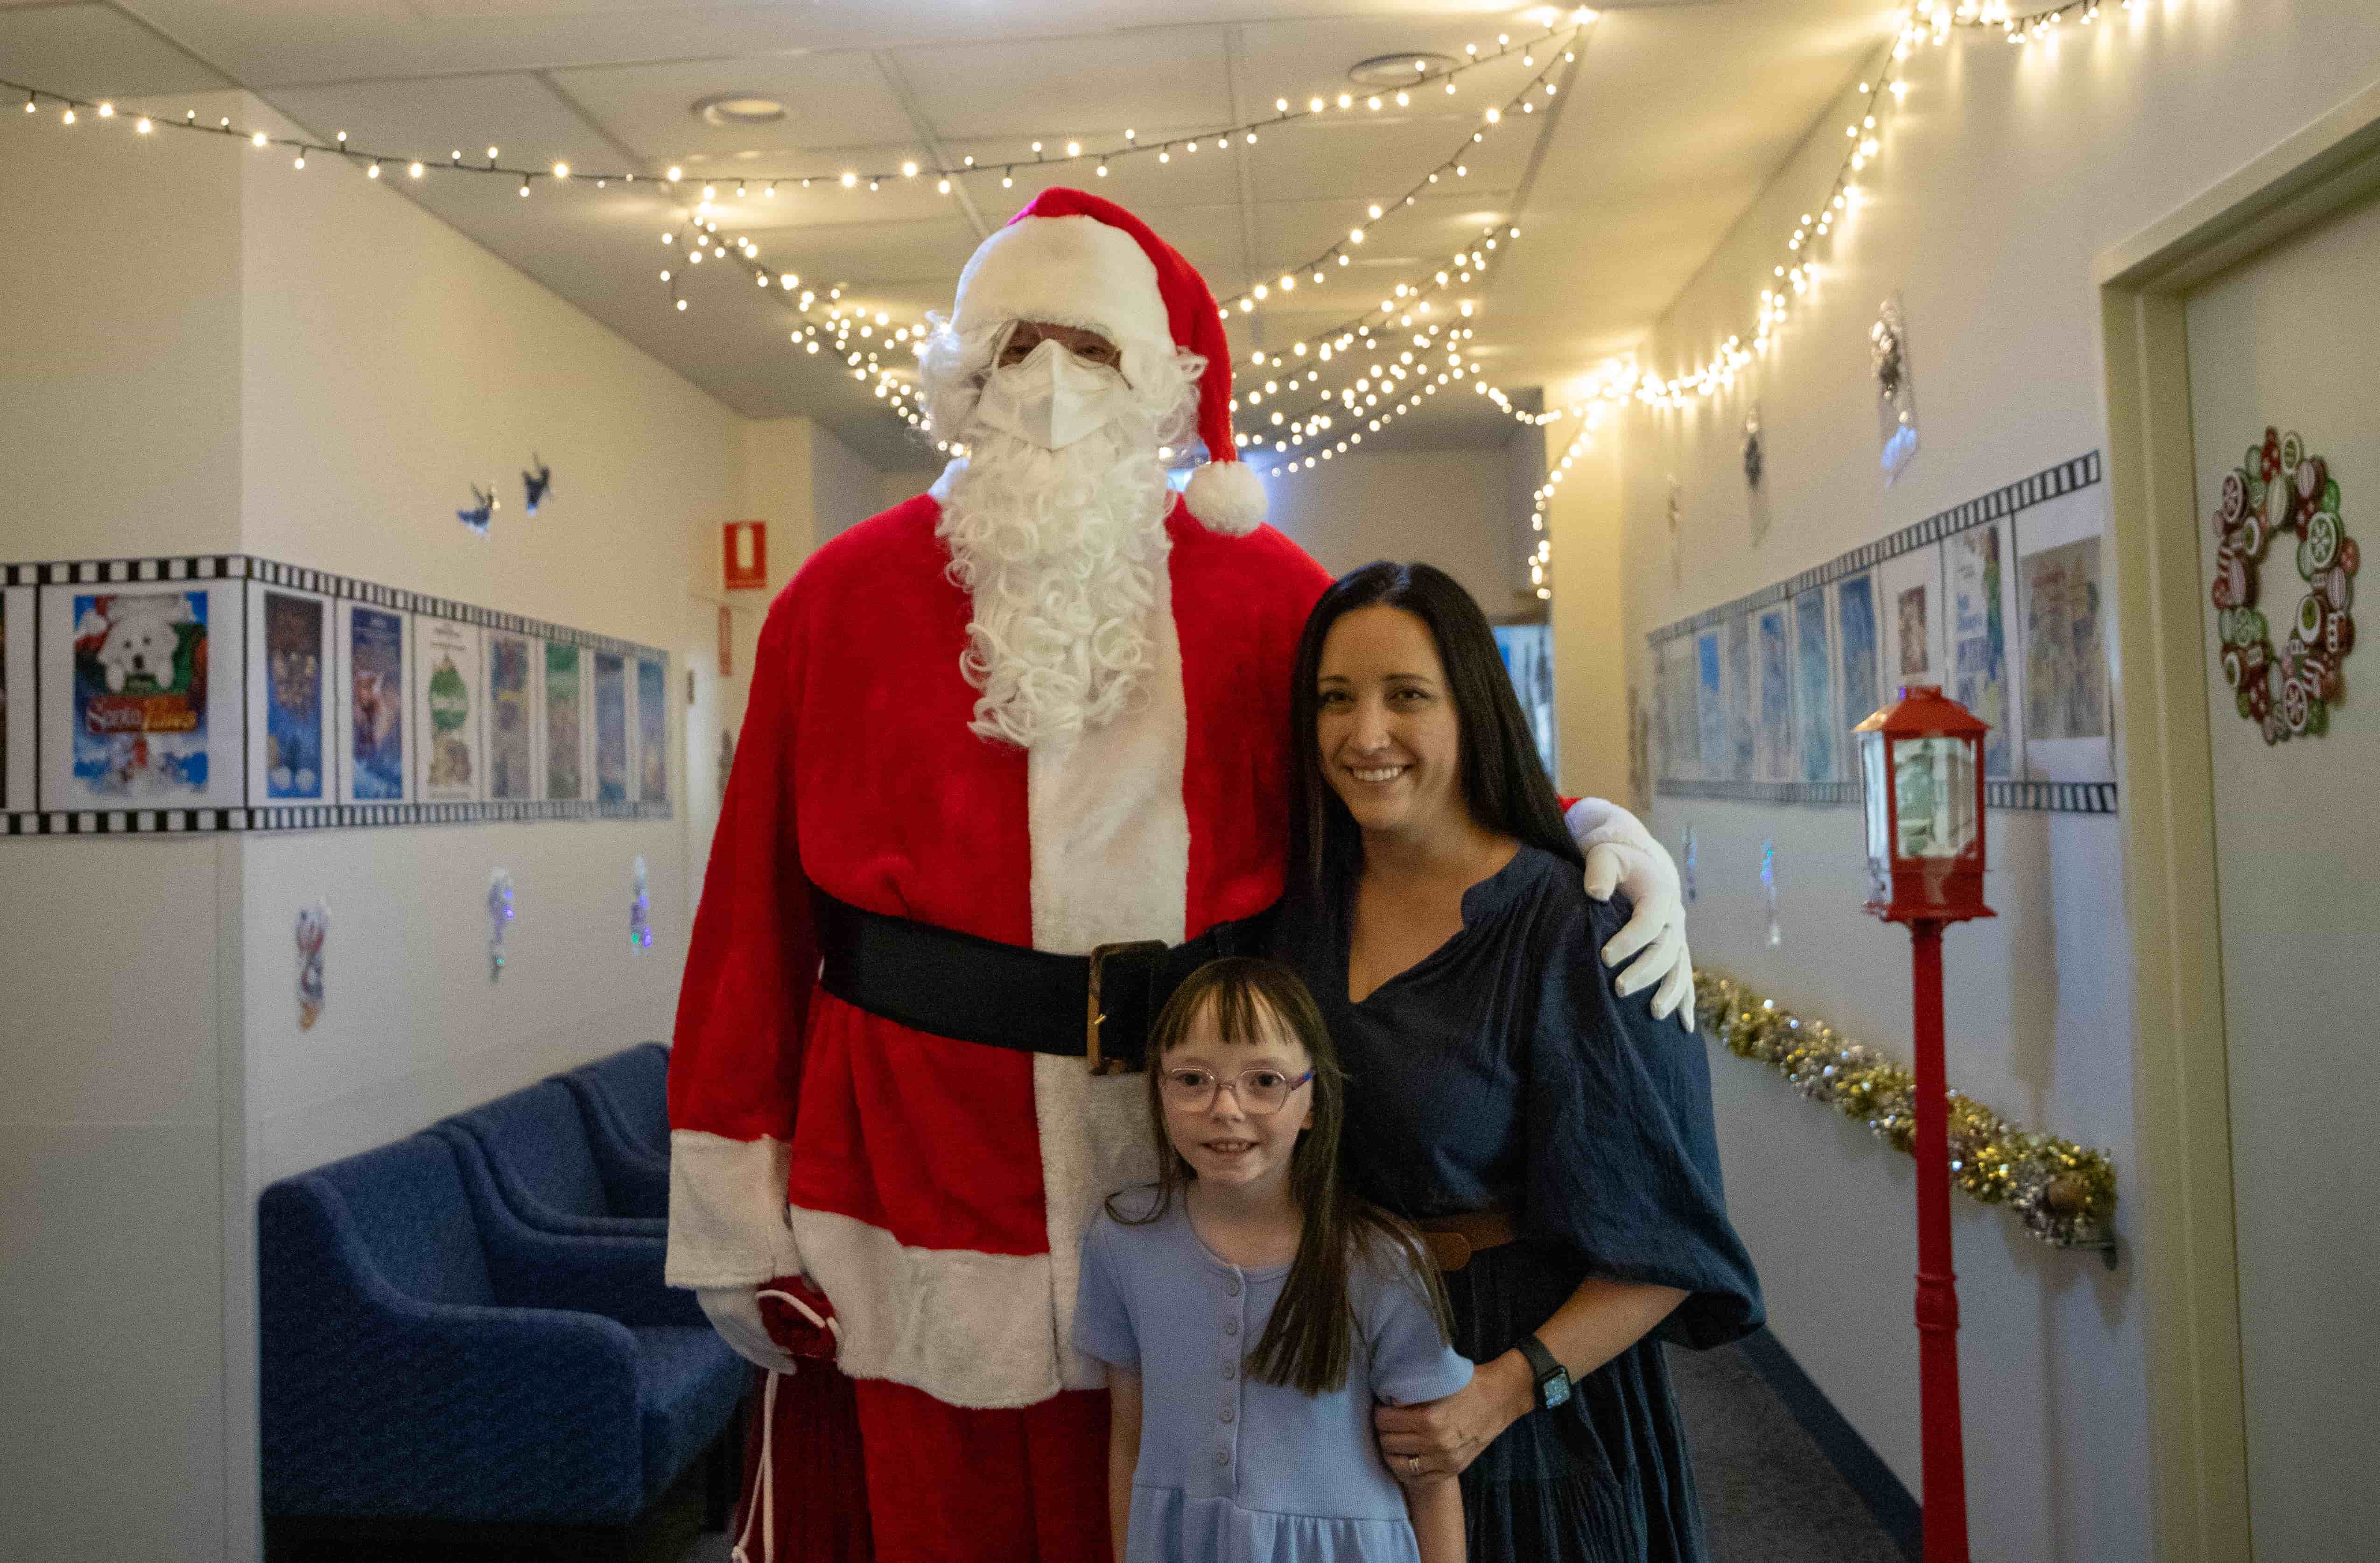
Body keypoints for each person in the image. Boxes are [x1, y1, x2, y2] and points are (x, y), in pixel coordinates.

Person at [666, 187, 1699, 1563]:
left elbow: (1394, 744)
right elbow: (749, 916)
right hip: (909, 1165)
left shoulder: (1262, 588)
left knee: (1201, 1506)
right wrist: (734, 1211)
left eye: (1087, 349)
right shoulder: (832, 601)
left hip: (1199, 1145)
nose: (1047, 382)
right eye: (1016, 343)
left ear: (1154, 380)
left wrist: (1584, 826)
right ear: (961, 372)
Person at [1271, 562, 1764, 1562]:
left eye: (1407, 696)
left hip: (1527, 1410)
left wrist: (1503, 1391)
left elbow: (1669, 1246)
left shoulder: (1577, 924)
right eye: (1336, 699)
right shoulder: (1293, 915)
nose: (1365, 735)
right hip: (1337, 1390)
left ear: (1473, 709)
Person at [1076, 958, 1469, 1563]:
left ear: (1312, 1102)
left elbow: (1433, 1477)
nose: (1226, 1108)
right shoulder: (1121, 1241)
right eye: (1193, 1080)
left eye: (1264, 1081)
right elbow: (1127, 1438)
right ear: (1158, 1090)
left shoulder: (1380, 1263)